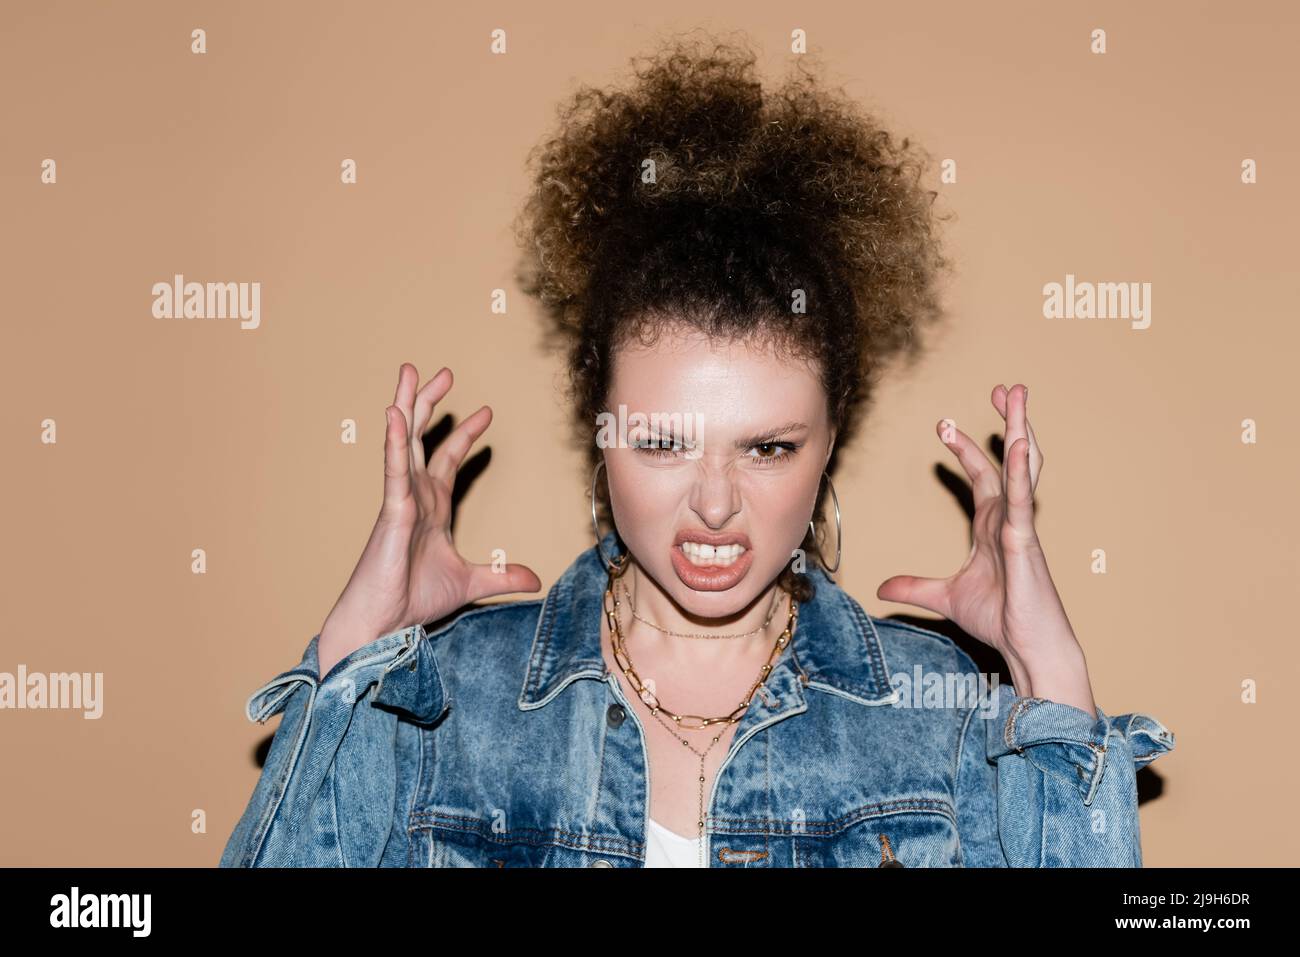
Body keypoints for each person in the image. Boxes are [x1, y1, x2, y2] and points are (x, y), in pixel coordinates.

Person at [220, 34, 1175, 868]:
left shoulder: (941, 713)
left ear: (827, 447)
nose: (714, 504)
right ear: (600, 432)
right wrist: (352, 651)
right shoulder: (441, 699)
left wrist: (1052, 678)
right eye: (663, 442)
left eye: (766, 447)